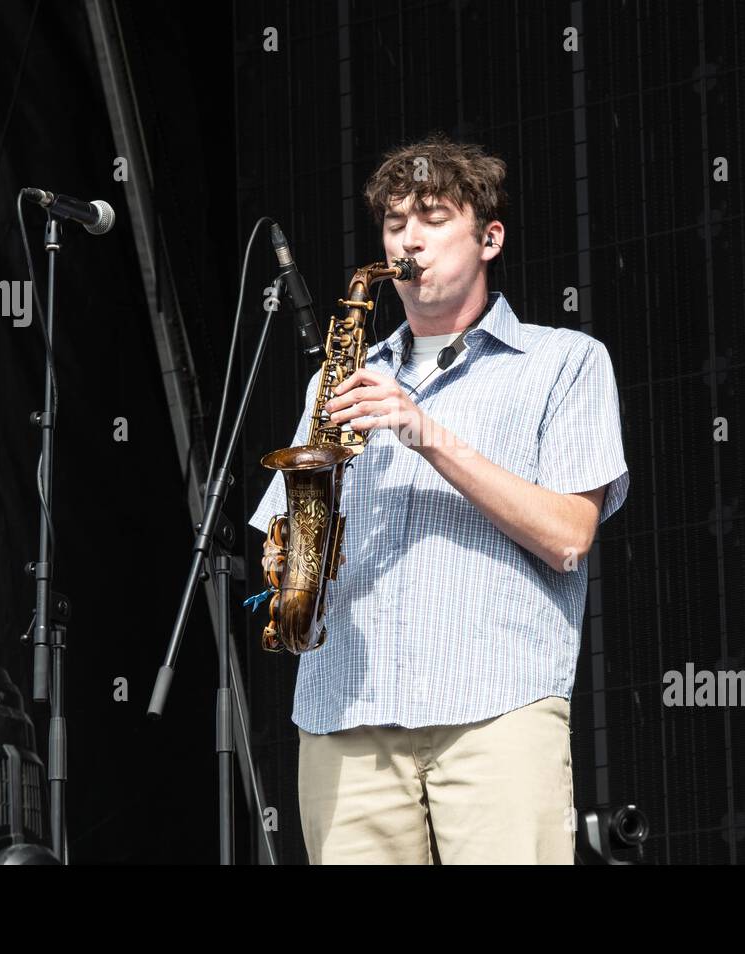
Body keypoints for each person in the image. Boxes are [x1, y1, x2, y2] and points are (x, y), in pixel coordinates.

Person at [247, 133, 628, 864]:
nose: (408, 240)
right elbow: (287, 529)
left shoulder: (565, 362)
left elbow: (570, 535)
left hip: (495, 714)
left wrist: (423, 430)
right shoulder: (338, 379)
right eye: (394, 224)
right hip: (343, 717)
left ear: (490, 238)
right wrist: (290, 567)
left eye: (431, 217)